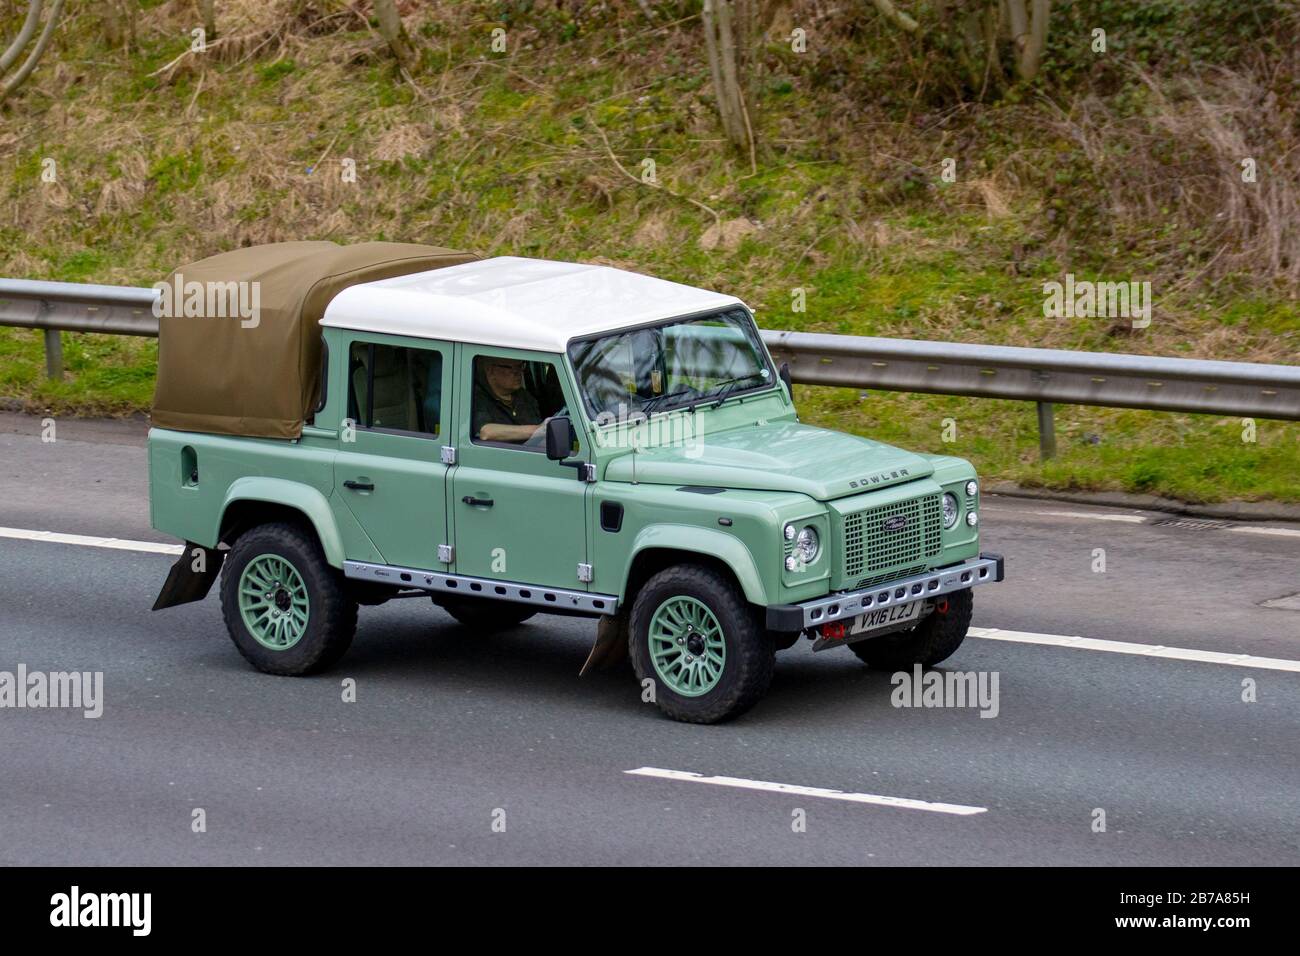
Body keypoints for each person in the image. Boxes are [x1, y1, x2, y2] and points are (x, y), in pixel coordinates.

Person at [473, 358, 544, 443]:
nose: (518, 372)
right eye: (511, 368)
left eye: (520, 366)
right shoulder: (476, 397)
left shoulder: (524, 396)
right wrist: (537, 430)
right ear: (490, 371)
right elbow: (486, 432)